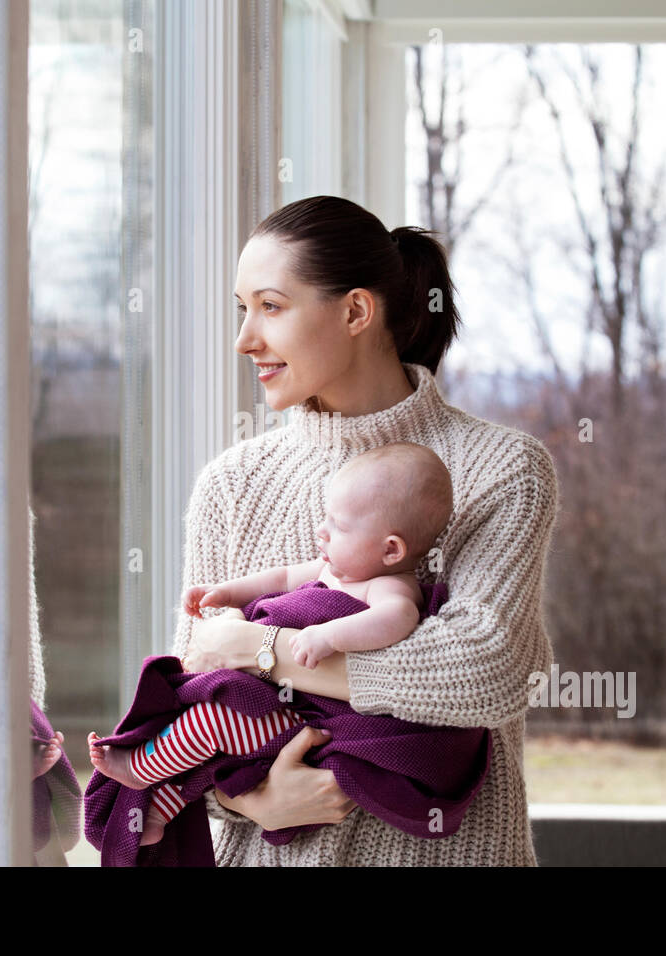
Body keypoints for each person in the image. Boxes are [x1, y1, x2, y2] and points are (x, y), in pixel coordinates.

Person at [175, 195, 560, 866]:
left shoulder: (503, 470)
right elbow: (187, 704)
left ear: (355, 311)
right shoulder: (229, 485)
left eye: (270, 306)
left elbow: (485, 673)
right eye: (242, 309)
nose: (244, 339)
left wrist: (259, 648)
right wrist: (252, 802)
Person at [87, 442, 454, 846]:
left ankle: (142, 767)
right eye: (326, 517)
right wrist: (228, 593)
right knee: (210, 751)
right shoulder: (334, 569)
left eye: (340, 526)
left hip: (309, 726)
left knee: (212, 721)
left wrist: (328, 635)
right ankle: (158, 813)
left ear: (391, 549)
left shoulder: (388, 587)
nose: (322, 531)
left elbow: (396, 619)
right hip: (282, 716)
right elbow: (279, 579)